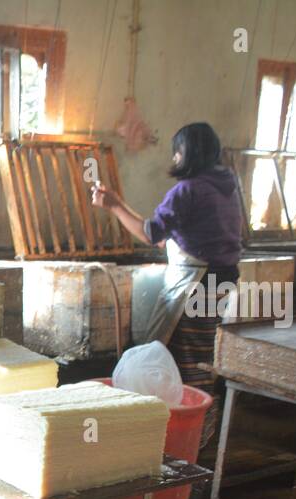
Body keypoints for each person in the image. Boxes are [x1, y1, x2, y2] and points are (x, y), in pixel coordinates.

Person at [91, 121, 242, 442]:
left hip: (196, 283)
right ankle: (202, 431)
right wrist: (119, 204)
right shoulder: (226, 185)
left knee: (182, 359)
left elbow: (150, 234)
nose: (174, 159)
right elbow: (164, 237)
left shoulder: (188, 190)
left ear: (185, 153)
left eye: (176, 152)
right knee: (203, 357)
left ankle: (183, 435)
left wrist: (114, 206)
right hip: (222, 282)